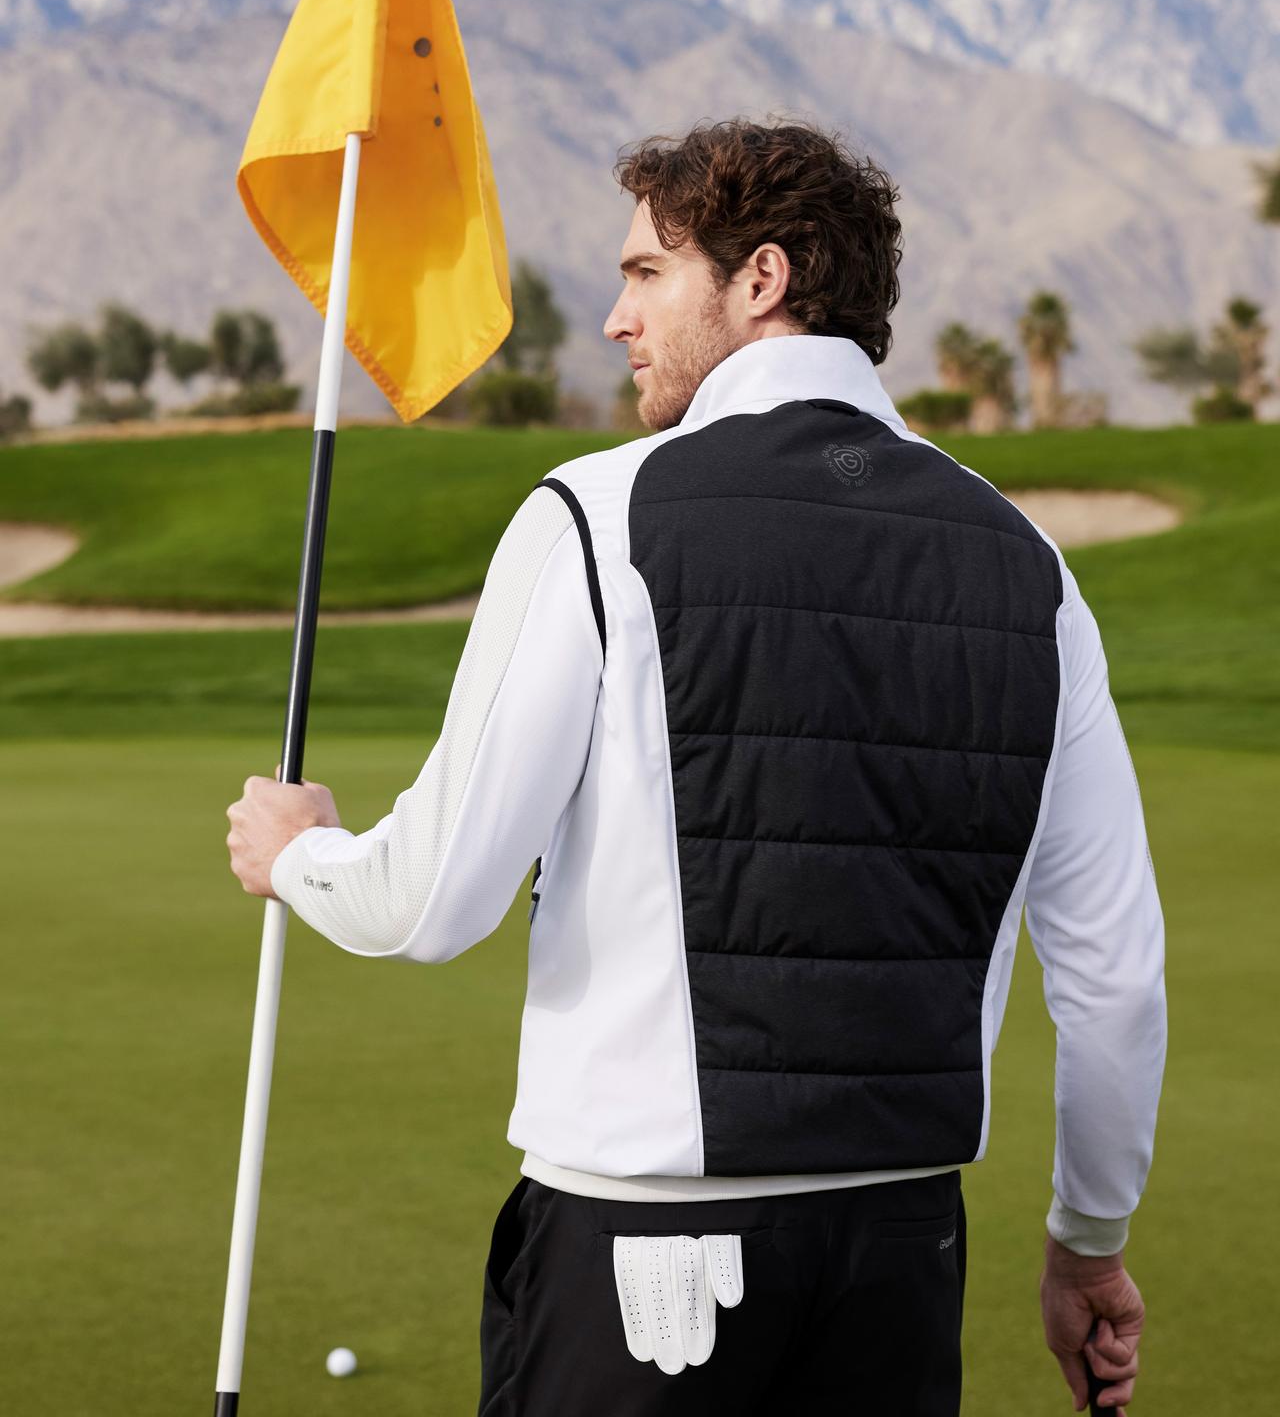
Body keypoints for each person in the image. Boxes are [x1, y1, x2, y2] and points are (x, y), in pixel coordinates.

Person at [226, 118, 1166, 1415]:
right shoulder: (1032, 567)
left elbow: (433, 904)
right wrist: (1088, 1245)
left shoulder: (595, 515)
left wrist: (299, 854)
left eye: (646, 275)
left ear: (761, 278)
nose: (616, 319)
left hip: (640, 1265)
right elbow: (1114, 980)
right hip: (903, 1256)